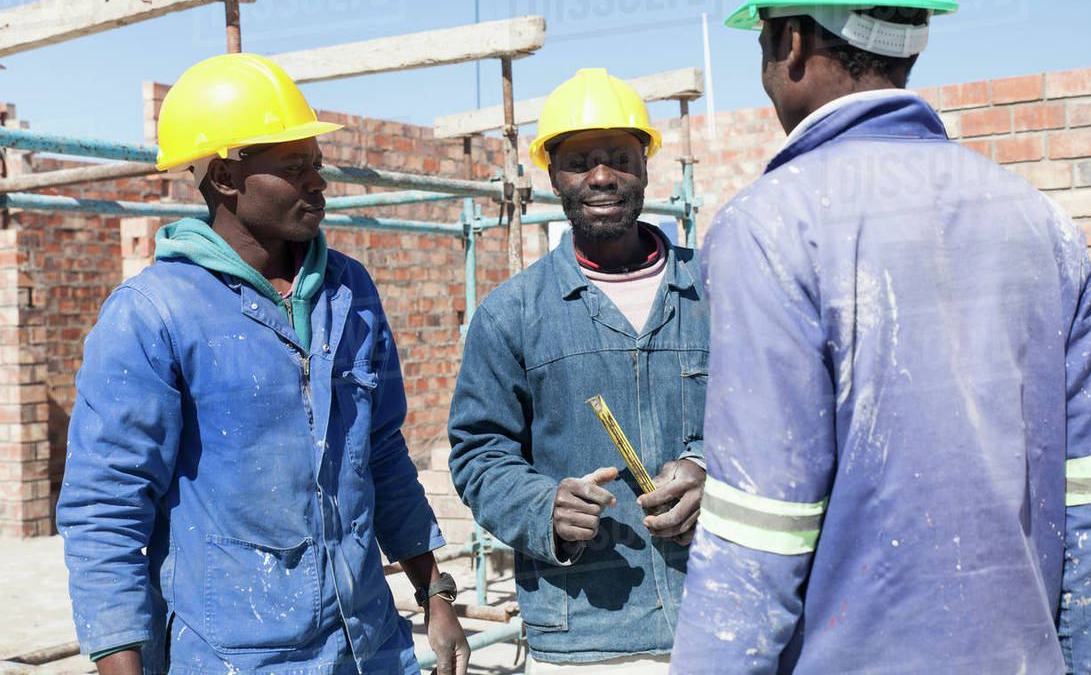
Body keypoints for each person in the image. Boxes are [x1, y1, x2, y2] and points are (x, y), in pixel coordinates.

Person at [671, 0, 1091, 674]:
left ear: (788, 44)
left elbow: (758, 537)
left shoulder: (770, 229)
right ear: (912, 39)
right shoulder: (1042, 224)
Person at [56, 53, 469, 675]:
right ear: (224, 176)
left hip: (368, 645)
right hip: (232, 656)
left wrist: (433, 591)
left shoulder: (348, 290)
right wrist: (120, 662)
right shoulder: (152, 314)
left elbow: (380, 451)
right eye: (296, 168)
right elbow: (106, 507)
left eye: (318, 165)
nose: (319, 184)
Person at [447, 69, 709, 672]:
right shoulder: (512, 314)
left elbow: (775, 423)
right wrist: (544, 508)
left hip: (718, 616)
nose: (601, 175)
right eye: (579, 161)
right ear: (552, 175)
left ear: (645, 165)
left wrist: (707, 468)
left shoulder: (719, 289)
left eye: (620, 157)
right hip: (585, 638)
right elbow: (479, 453)